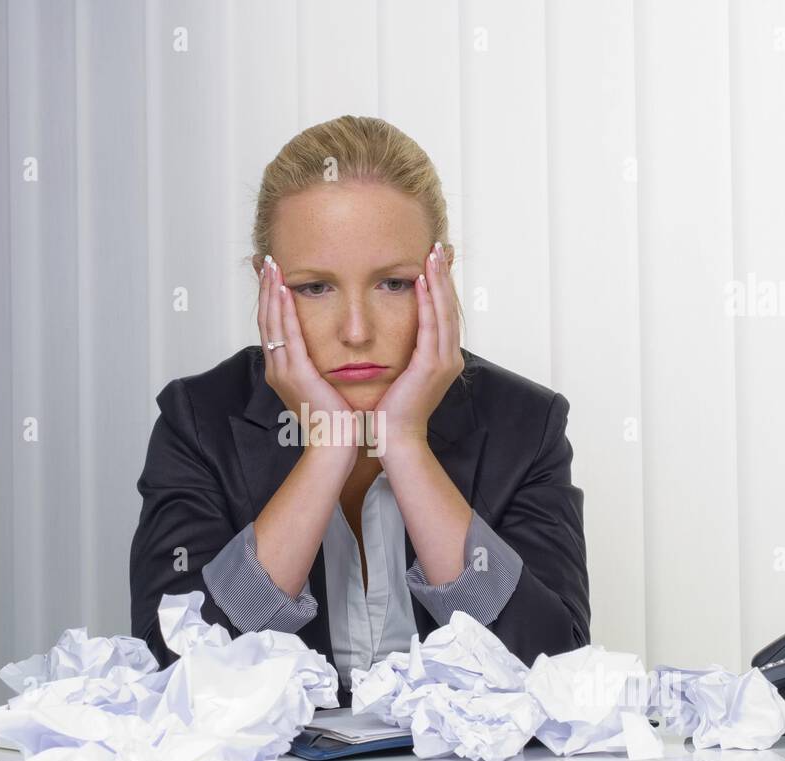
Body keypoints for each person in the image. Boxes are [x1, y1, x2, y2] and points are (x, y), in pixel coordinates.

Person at [130, 115, 589, 706]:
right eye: (315, 288)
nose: (355, 331)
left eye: (394, 284)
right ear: (266, 285)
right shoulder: (197, 421)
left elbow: (559, 678)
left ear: (440, 275)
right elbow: (173, 676)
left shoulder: (525, 426)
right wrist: (326, 452)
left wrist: (406, 445)